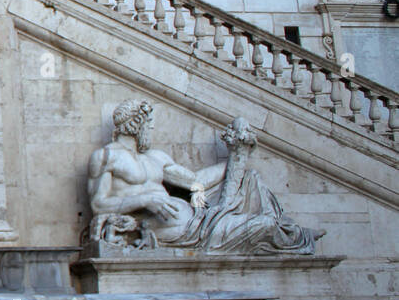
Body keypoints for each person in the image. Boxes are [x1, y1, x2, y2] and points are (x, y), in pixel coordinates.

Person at [87, 99, 322, 254]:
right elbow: (99, 204)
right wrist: (146, 200)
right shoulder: (107, 156)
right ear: (137, 124)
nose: (151, 131)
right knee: (264, 225)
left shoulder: (155, 157)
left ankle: (292, 234)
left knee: (250, 180)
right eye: (149, 126)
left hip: (198, 222)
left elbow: (195, 181)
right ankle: (295, 237)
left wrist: (235, 156)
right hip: (174, 231)